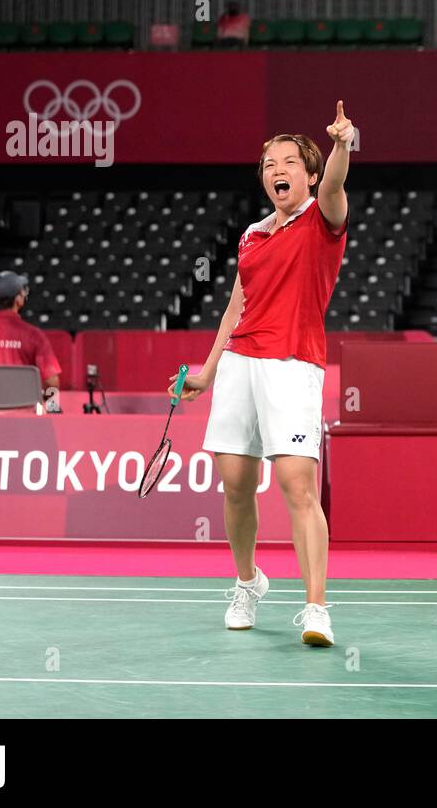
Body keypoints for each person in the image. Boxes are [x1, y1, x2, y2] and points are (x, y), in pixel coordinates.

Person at [172, 101, 353, 647]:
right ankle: (248, 582)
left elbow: (338, 186)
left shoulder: (323, 218)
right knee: (235, 486)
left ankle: (316, 608)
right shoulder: (252, 234)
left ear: (310, 174)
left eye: (289, 162)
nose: (277, 169)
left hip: (292, 363)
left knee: (298, 488)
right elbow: (236, 307)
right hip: (239, 365)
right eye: (269, 163)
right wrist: (206, 371)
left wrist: (344, 143)